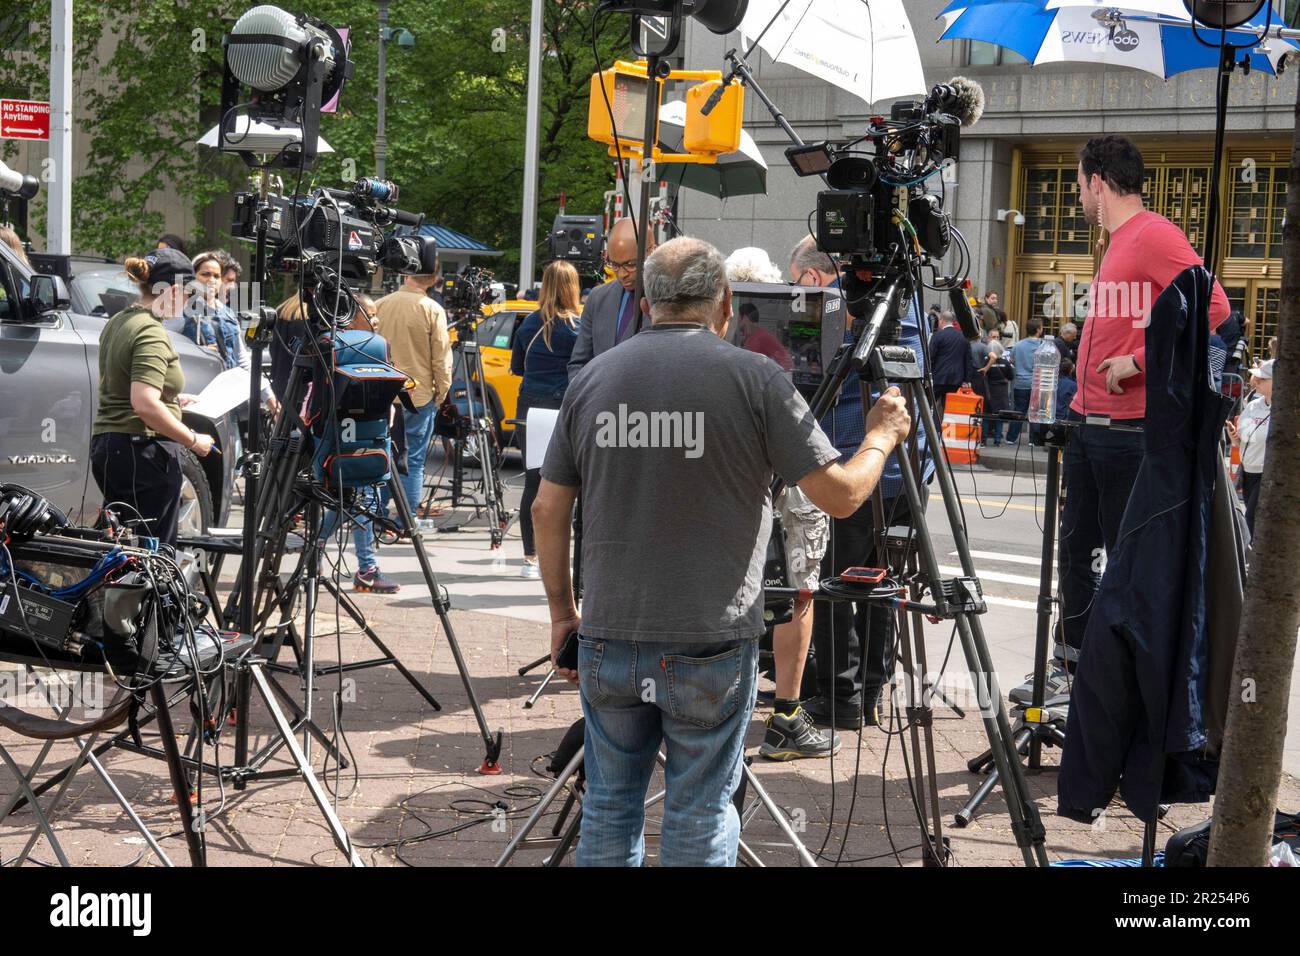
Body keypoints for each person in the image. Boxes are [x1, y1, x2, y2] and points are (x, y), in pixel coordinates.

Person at [531, 237, 911, 866]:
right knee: (702, 806)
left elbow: (548, 509)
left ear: (647, 300)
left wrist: (561, 613)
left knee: (608, 802)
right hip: (710, 636)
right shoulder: (756, 378)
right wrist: (880, 437)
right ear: (726, 302)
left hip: (610, 630)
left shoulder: (593, 379)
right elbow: (841, 497)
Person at [1010, 135, 1229, 704]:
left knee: (1118, 565)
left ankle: (1114, 689)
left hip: (1127, 432)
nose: (1078, 196)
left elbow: (1218, 309)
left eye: (1080, 186)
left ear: (1098, 184)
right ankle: (1072, 671)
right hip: (1090, 424)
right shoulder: (1117, 242)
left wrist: (1137, 361)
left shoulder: (1154, 235)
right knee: (1077, 555)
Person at [789, 235, 933, 731]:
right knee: (881, 586)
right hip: (906, 470)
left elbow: (818, 377)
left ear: (812, 277)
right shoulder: (908, 305)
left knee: (835, 588)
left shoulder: (845, 316)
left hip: (856, 467)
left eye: (798, 286)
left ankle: (839, 697)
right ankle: (872, 688)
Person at [90, 248, 213, 546]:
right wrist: (194, 440)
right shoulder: (151, 332)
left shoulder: (119, 321)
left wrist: (172, 398)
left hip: (110, 446)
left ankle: (111, 595)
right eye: (187, 294)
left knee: (121, 554)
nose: (188, 303)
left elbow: (126, 385)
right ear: (172, 290)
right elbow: (144, 404)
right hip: (143, 451)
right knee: (153, 557)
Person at [511, 260, 581, 579]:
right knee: (572, 483)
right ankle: (566, 554)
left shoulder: (527, 324)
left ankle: (530, 555)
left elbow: (517, 368)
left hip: (531, 406)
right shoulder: (579, 327)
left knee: (533, 482)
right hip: (566, 406)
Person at [375, 265, 453, 527]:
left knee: (382, 456)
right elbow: (441, 358)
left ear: (405, 274)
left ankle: (377, 513)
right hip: (418, 396)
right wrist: (442, 395)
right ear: (432, 280)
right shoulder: (432, 309)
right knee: (414, 460)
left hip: (382, 394)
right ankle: (406, 519)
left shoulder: (381, 304)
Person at [568, 217, 656, 375]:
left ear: (652, 252)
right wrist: (587, 398)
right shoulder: (597, 298)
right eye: (614, 264)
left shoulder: (669, 300)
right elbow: (578, 363)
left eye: (630, 264)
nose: (622, 274)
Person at [1228, 359, 1273, 536]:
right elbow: (1244, 440)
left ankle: (1251, 557)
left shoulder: (1287, 412)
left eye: (1263, 379)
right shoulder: (1253, 405)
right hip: (1247, 472)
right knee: (1250, 514)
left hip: (1267, 474)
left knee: (1251, 518)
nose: (1256, 382)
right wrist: (1235, 438)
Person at [1005, 319, 1045, 445]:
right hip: (1037, 383)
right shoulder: (1043, 345)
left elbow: (1011, 360)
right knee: (1035, 412)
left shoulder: (1018, 345)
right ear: (1038, 330)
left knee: (1018, 411)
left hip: (1020, 383)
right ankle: (1033, 440)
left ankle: (1011, 438)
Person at [929, 309, 973, 418]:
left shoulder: (937, 336)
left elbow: (930, 357)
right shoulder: (963, 338)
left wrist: (927, 374)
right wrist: (967, 380)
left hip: (938, 377)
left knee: (929, 404)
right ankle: (947, 431)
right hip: (956, 380)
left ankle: (930, 431)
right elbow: (968, 360)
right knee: (949, 410)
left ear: (941, 321)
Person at [736, 303, 792, 370]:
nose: (737, 321)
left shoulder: (763, 337)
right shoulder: (749, 338)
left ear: (745, 318)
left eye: (738, 317)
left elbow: (787, 363)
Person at [984, 340, 1013, 446]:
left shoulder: (986, 362)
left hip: (989, 391)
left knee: (986, 416)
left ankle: (983, 440)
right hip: (1001, 392)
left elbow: (984, 375)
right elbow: (1011, 376)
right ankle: (997, 440)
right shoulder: (1005, 363)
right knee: (999, 417)